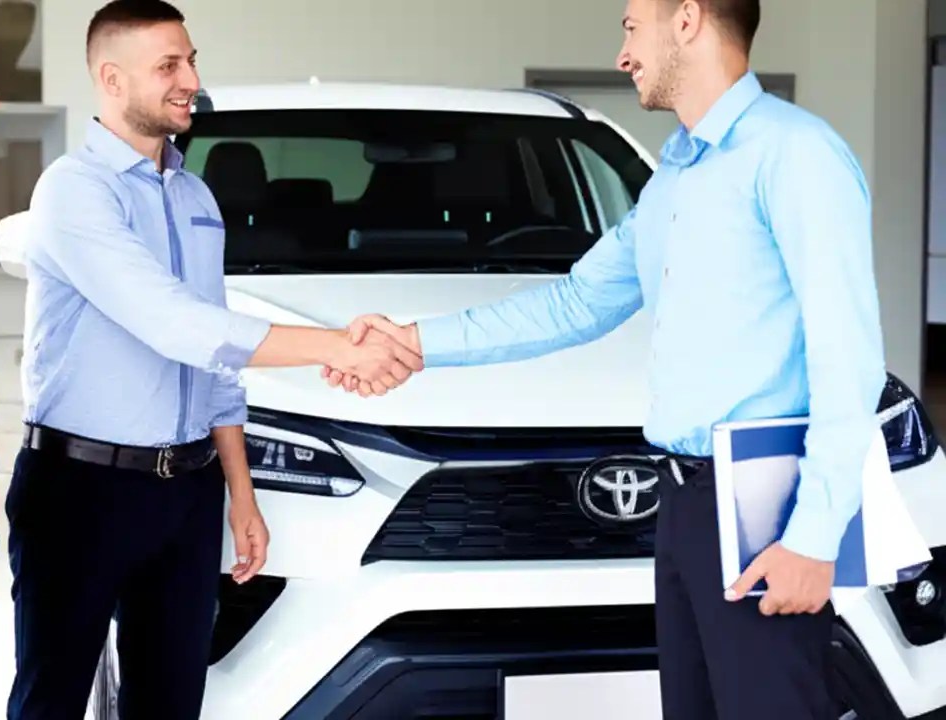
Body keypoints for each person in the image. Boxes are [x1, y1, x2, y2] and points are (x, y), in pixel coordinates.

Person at [327, 0, 884, 717]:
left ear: (687, 19)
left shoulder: (796, 154)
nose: (624, 55)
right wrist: (414, 342)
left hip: (764, 505)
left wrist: (814, 536)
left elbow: (851, 357)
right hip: (681, 502)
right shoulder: (675, 175)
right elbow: (576, 303)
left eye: (630, 27)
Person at [4, 1, 421, 718]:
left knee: (170, 703)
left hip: (186, 494)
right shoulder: (74, 191)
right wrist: (336, 345)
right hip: (80, 490)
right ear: (111, 77)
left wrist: (241, 492)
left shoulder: (196, 196)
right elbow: (177, 325)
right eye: (169, 65)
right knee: (52, 702)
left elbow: (212, 367)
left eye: (191, 60)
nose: (190, 79)